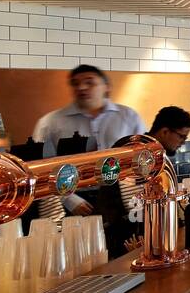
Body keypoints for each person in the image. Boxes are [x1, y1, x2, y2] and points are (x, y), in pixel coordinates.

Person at [32, 65, 146, 259]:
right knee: (78, 256)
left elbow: (142, 157)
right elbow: (41, 169)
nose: (82, 88)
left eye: (89, 82)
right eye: (76, 84)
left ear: (106, 87)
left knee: (119, 252)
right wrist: (69, 199)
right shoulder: (51, 122)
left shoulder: (128, 116)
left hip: (119, 199)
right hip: (73, 201)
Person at [121, 106, 190, 254]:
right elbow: (121, 201)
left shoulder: (160, 157)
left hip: (154, 237)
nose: (183, 142)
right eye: (181, 136)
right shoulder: (140, 154)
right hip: (136, 242)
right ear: (165, 131)